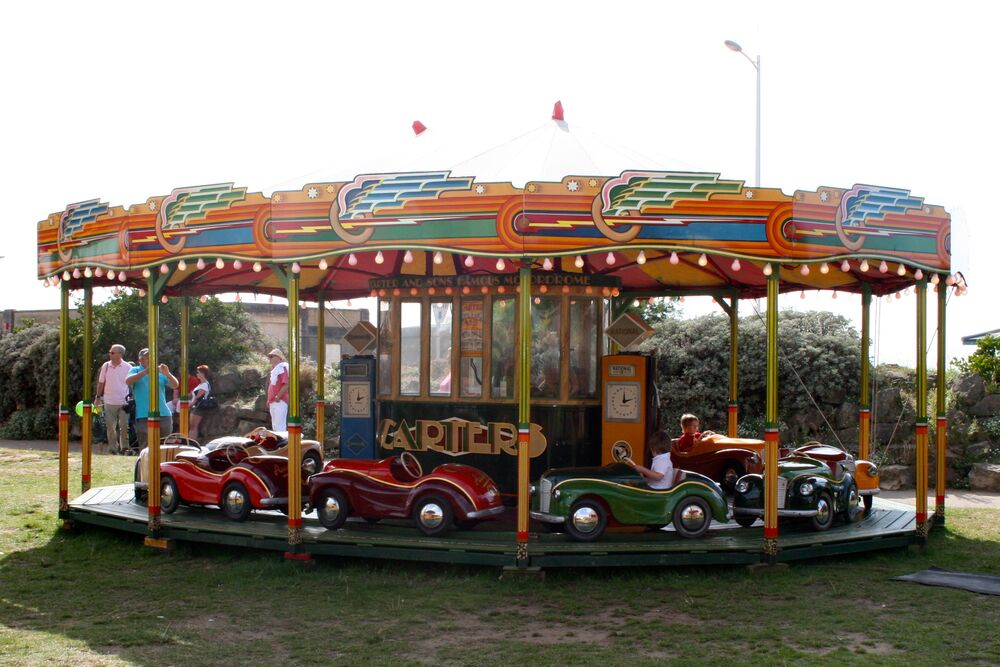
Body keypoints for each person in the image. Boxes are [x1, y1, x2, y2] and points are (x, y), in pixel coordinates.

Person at [126, 348, 180, 449]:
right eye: (147, 357)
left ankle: (160, 465)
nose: (150, 359)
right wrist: (145, 372)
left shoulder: (160, 372)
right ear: (140, 360)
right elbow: (128, 381)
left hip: (164, 415)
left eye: (152, 357)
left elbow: (175, 385)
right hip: (143, 416)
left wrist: (168, 374)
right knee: (146, 447)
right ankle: (145, 465)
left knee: (164, 447)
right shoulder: (135, 370)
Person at [95, 344, 132, 454]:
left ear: (119, 354)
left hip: (124, 402)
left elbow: (132, 384)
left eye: (112, 352)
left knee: (125, 426)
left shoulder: (128, 367)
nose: (109, 354)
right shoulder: (106, 366)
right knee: (110, 427)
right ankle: (112, 449)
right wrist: (98, 397)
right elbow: (101, 382)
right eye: (110, 352)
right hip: (109, 401)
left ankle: (125, 448)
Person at [266, 348, 289, 432]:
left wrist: (278, 397)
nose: (270, 358)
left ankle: (282, 445)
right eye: (270, 356)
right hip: (274, 401)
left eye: (272, 356)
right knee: (275, 427)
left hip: (280, 401)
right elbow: (272, 387)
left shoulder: (282, 368)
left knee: (280, 427)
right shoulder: (275, 370)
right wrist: (269, 400)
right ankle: (278, 445)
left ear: (279, 357)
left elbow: (286, 384)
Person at [188, 364, 212, 440]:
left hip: (198, 408)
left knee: (193, 427)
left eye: (198, 372)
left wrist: (190, 405)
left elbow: (197, 398)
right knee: (192, 426)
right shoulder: (202, 384)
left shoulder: (204, 384)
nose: (197, 374)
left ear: (202, 373)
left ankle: (192, 443)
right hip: (196, 407)